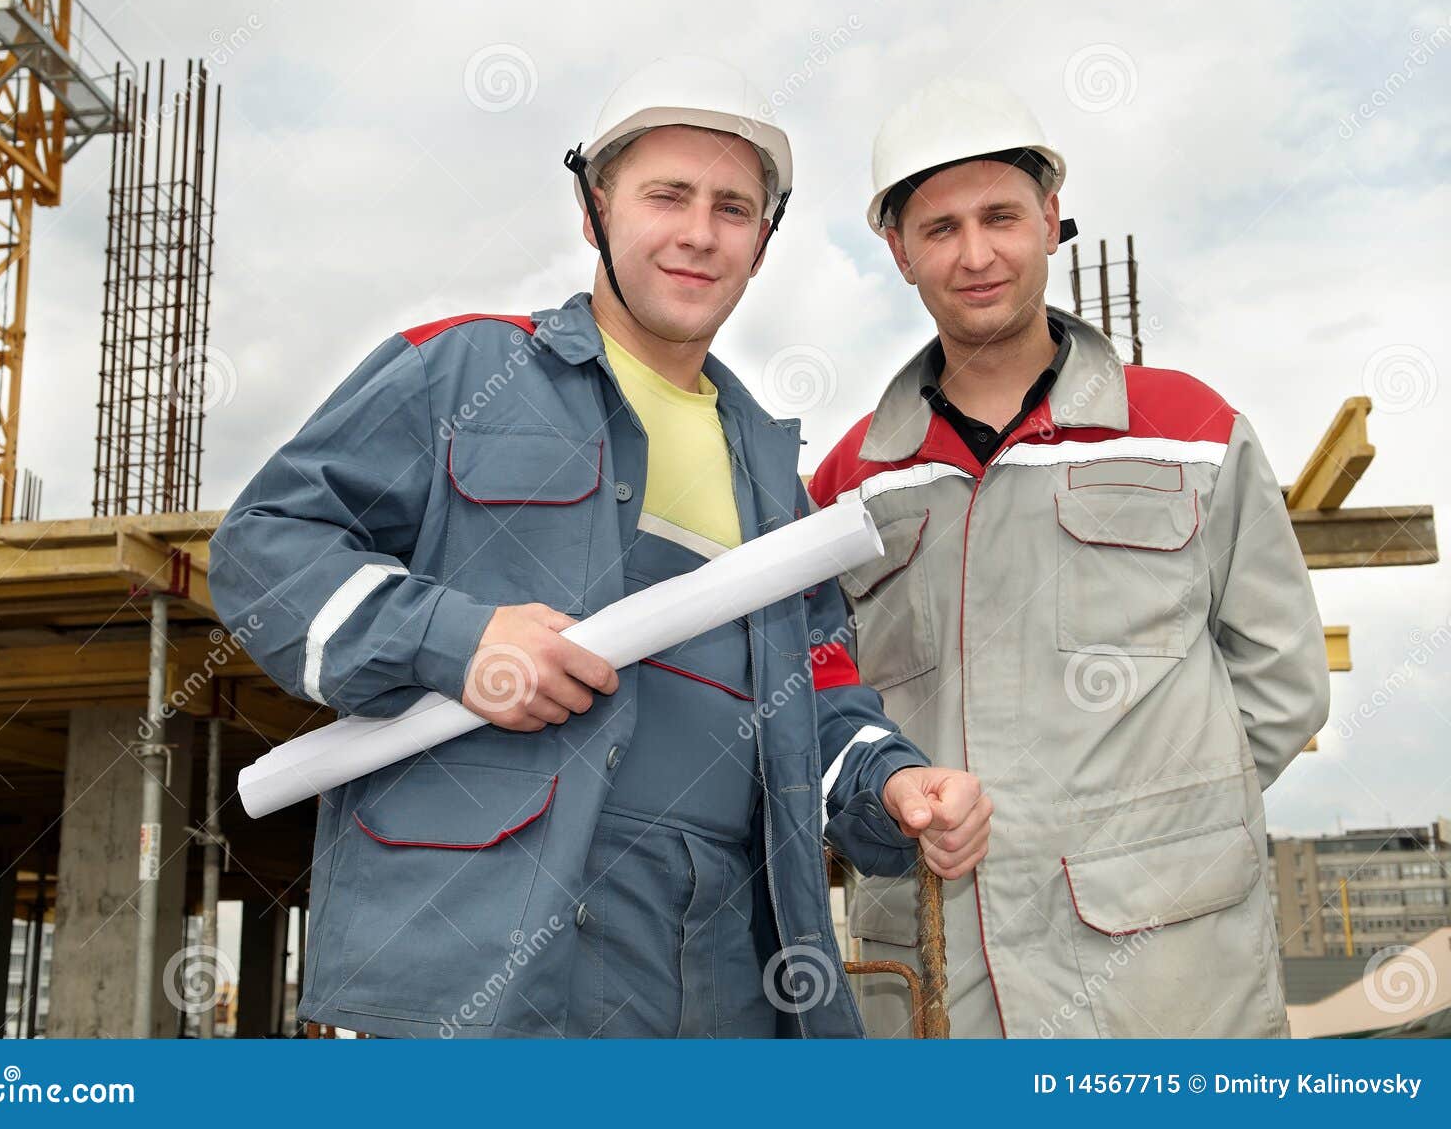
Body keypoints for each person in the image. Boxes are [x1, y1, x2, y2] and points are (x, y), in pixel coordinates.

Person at [209, 56, 991, 1039]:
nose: (699, 233)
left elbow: (822, 692)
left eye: (733, 209)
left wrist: (892, 783)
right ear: (594, 213)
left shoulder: (773, 479)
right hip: (487, 970)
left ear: (760, 246)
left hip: (727, 974)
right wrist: (455, 638)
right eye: (667, 195)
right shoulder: (463, 372)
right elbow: (264, 548)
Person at [810, 77, 1329, 1038]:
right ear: (897, 252)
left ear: (1051, 218)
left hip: (1166, 982)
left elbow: (1283, 681)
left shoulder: (1190, 430)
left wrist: (1143, 837)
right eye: (941, 229)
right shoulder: (852, 481)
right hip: (936, 972)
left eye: (1002, 216)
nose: (976, 255)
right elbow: (821, 702)